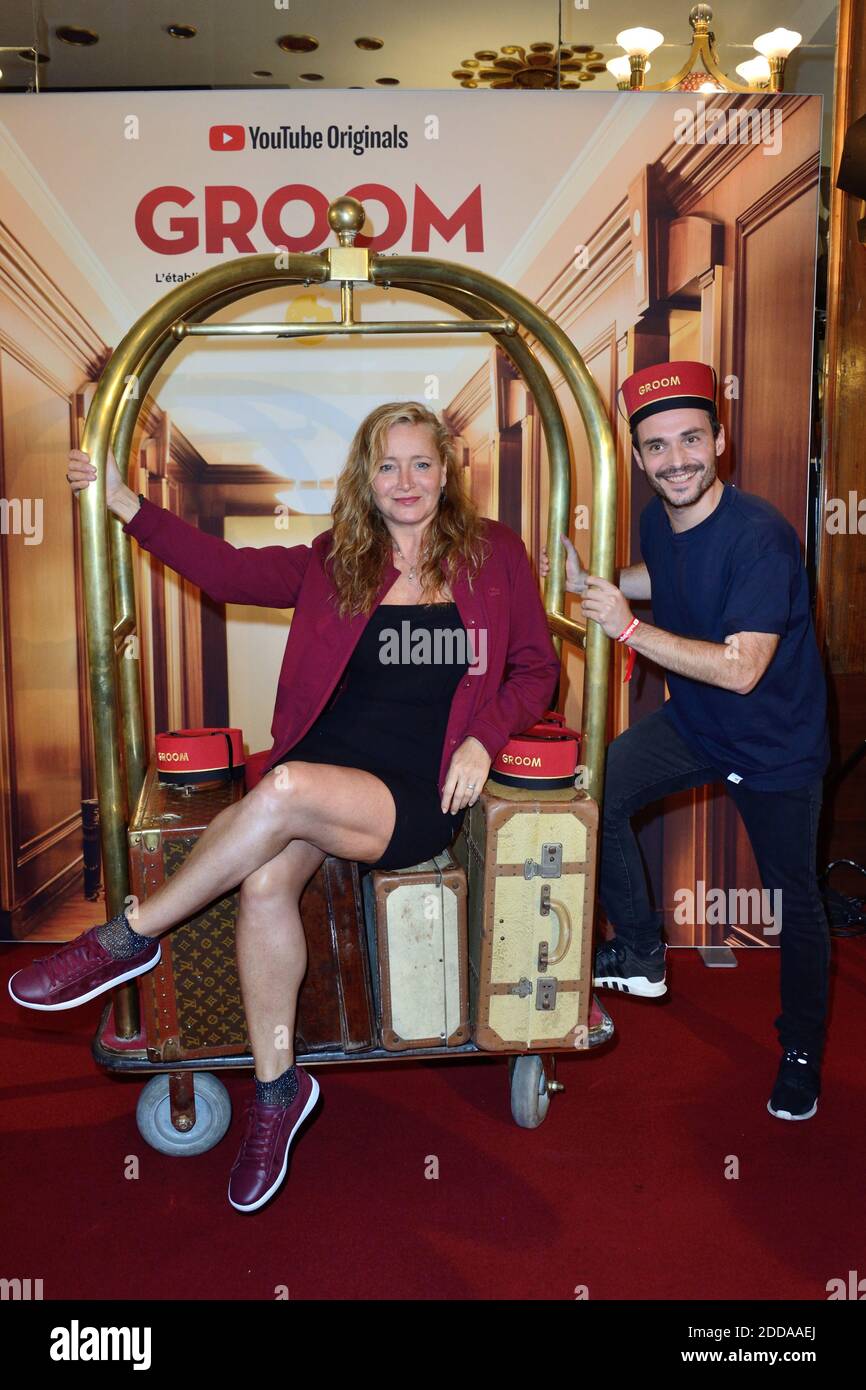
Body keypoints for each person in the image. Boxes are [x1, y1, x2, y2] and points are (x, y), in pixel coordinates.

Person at [9, 400, 559, 1212]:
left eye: (420, 464)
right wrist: (128, 505)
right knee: (265, 885)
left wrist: (483, 741)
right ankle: (277, 1093)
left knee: (287, 791)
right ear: (364, 480)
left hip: (412, 788)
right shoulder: (340, 558)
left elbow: (535, 670)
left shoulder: (494, 555)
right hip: (321, 769)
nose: (405, 481)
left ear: (447, 472)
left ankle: (131, 934)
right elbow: (229, 573)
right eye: (387, 465)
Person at [541, 361, 831, 1122]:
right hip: (696, 724)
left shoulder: (760, 537)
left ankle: (801, 1051)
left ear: (720, 440)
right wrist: (593, 585)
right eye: (658, 447)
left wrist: (626, 628)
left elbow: (742, 669)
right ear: (639, 459)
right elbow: (657, 573)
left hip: (774, 747)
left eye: (691, 440)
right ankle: (641, 954)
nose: (677, 460)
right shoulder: (652, 519)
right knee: (597, 790)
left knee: (793, 902)